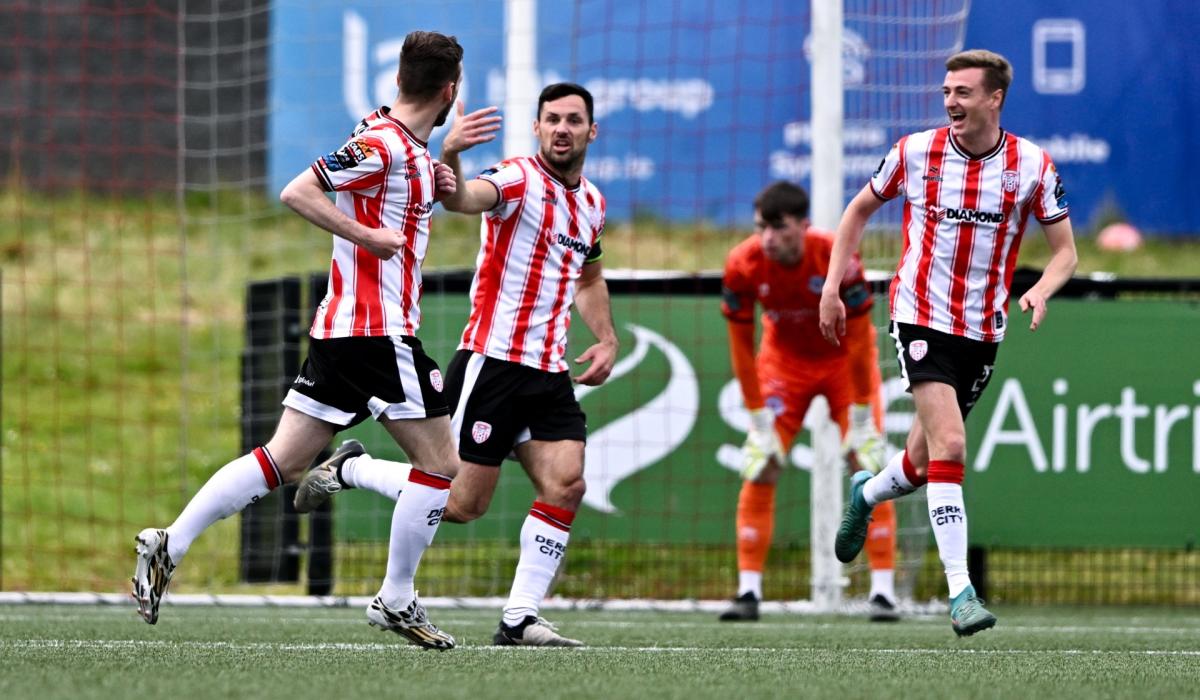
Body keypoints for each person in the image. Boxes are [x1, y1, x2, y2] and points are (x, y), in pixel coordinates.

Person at [131, 31, 469, 650]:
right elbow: (298, 191)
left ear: (399, 79)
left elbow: (399, 193)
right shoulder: (385, 146)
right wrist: (364, 236)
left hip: (340, 332)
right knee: (443, 467)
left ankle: (169, 541)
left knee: (283, 462)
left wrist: (441, 173)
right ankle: (394, 596)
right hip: (378, 332)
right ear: (451, 89)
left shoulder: (396, 142)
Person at [293, 82, 618, 647]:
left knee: (566, 484)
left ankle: (519, 617)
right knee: (463, 503)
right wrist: (452, 157)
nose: (561, 129)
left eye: (573, 120)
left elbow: (588, 277)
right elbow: (464, 199)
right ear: (537, 129)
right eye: (551, 120)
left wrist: (607, 338)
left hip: (548, 371)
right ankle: (351, 469)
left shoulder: (592, 203)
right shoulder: (517, 178)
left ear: (592, 131)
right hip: (491, 364)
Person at [818, 49, 1077, 637]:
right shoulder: (915, 152)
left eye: (962, 92)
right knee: (952, 447)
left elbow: (1066, 253)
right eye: (946, 92)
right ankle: (960, 590)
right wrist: (833, 285)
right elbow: (858, 211)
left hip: (983, 329)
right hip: (920, 315)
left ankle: (867, 492)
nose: (951, 102)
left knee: (920, 460)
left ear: (994, 99)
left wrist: (1041, 290)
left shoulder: (1032, 166)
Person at [716, 181, 900, 623]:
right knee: (761, 465)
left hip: (843, 368)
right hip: (784, 368)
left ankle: (883, 593)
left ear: (803, 225)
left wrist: (860, 413)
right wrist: (759, 418)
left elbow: (858, 337)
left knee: (868, 466)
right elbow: (741, 345)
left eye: (778, 228)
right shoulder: (742, 264)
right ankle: (748, 592)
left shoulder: (835, 256)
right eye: (762, 227)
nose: (768, 238)